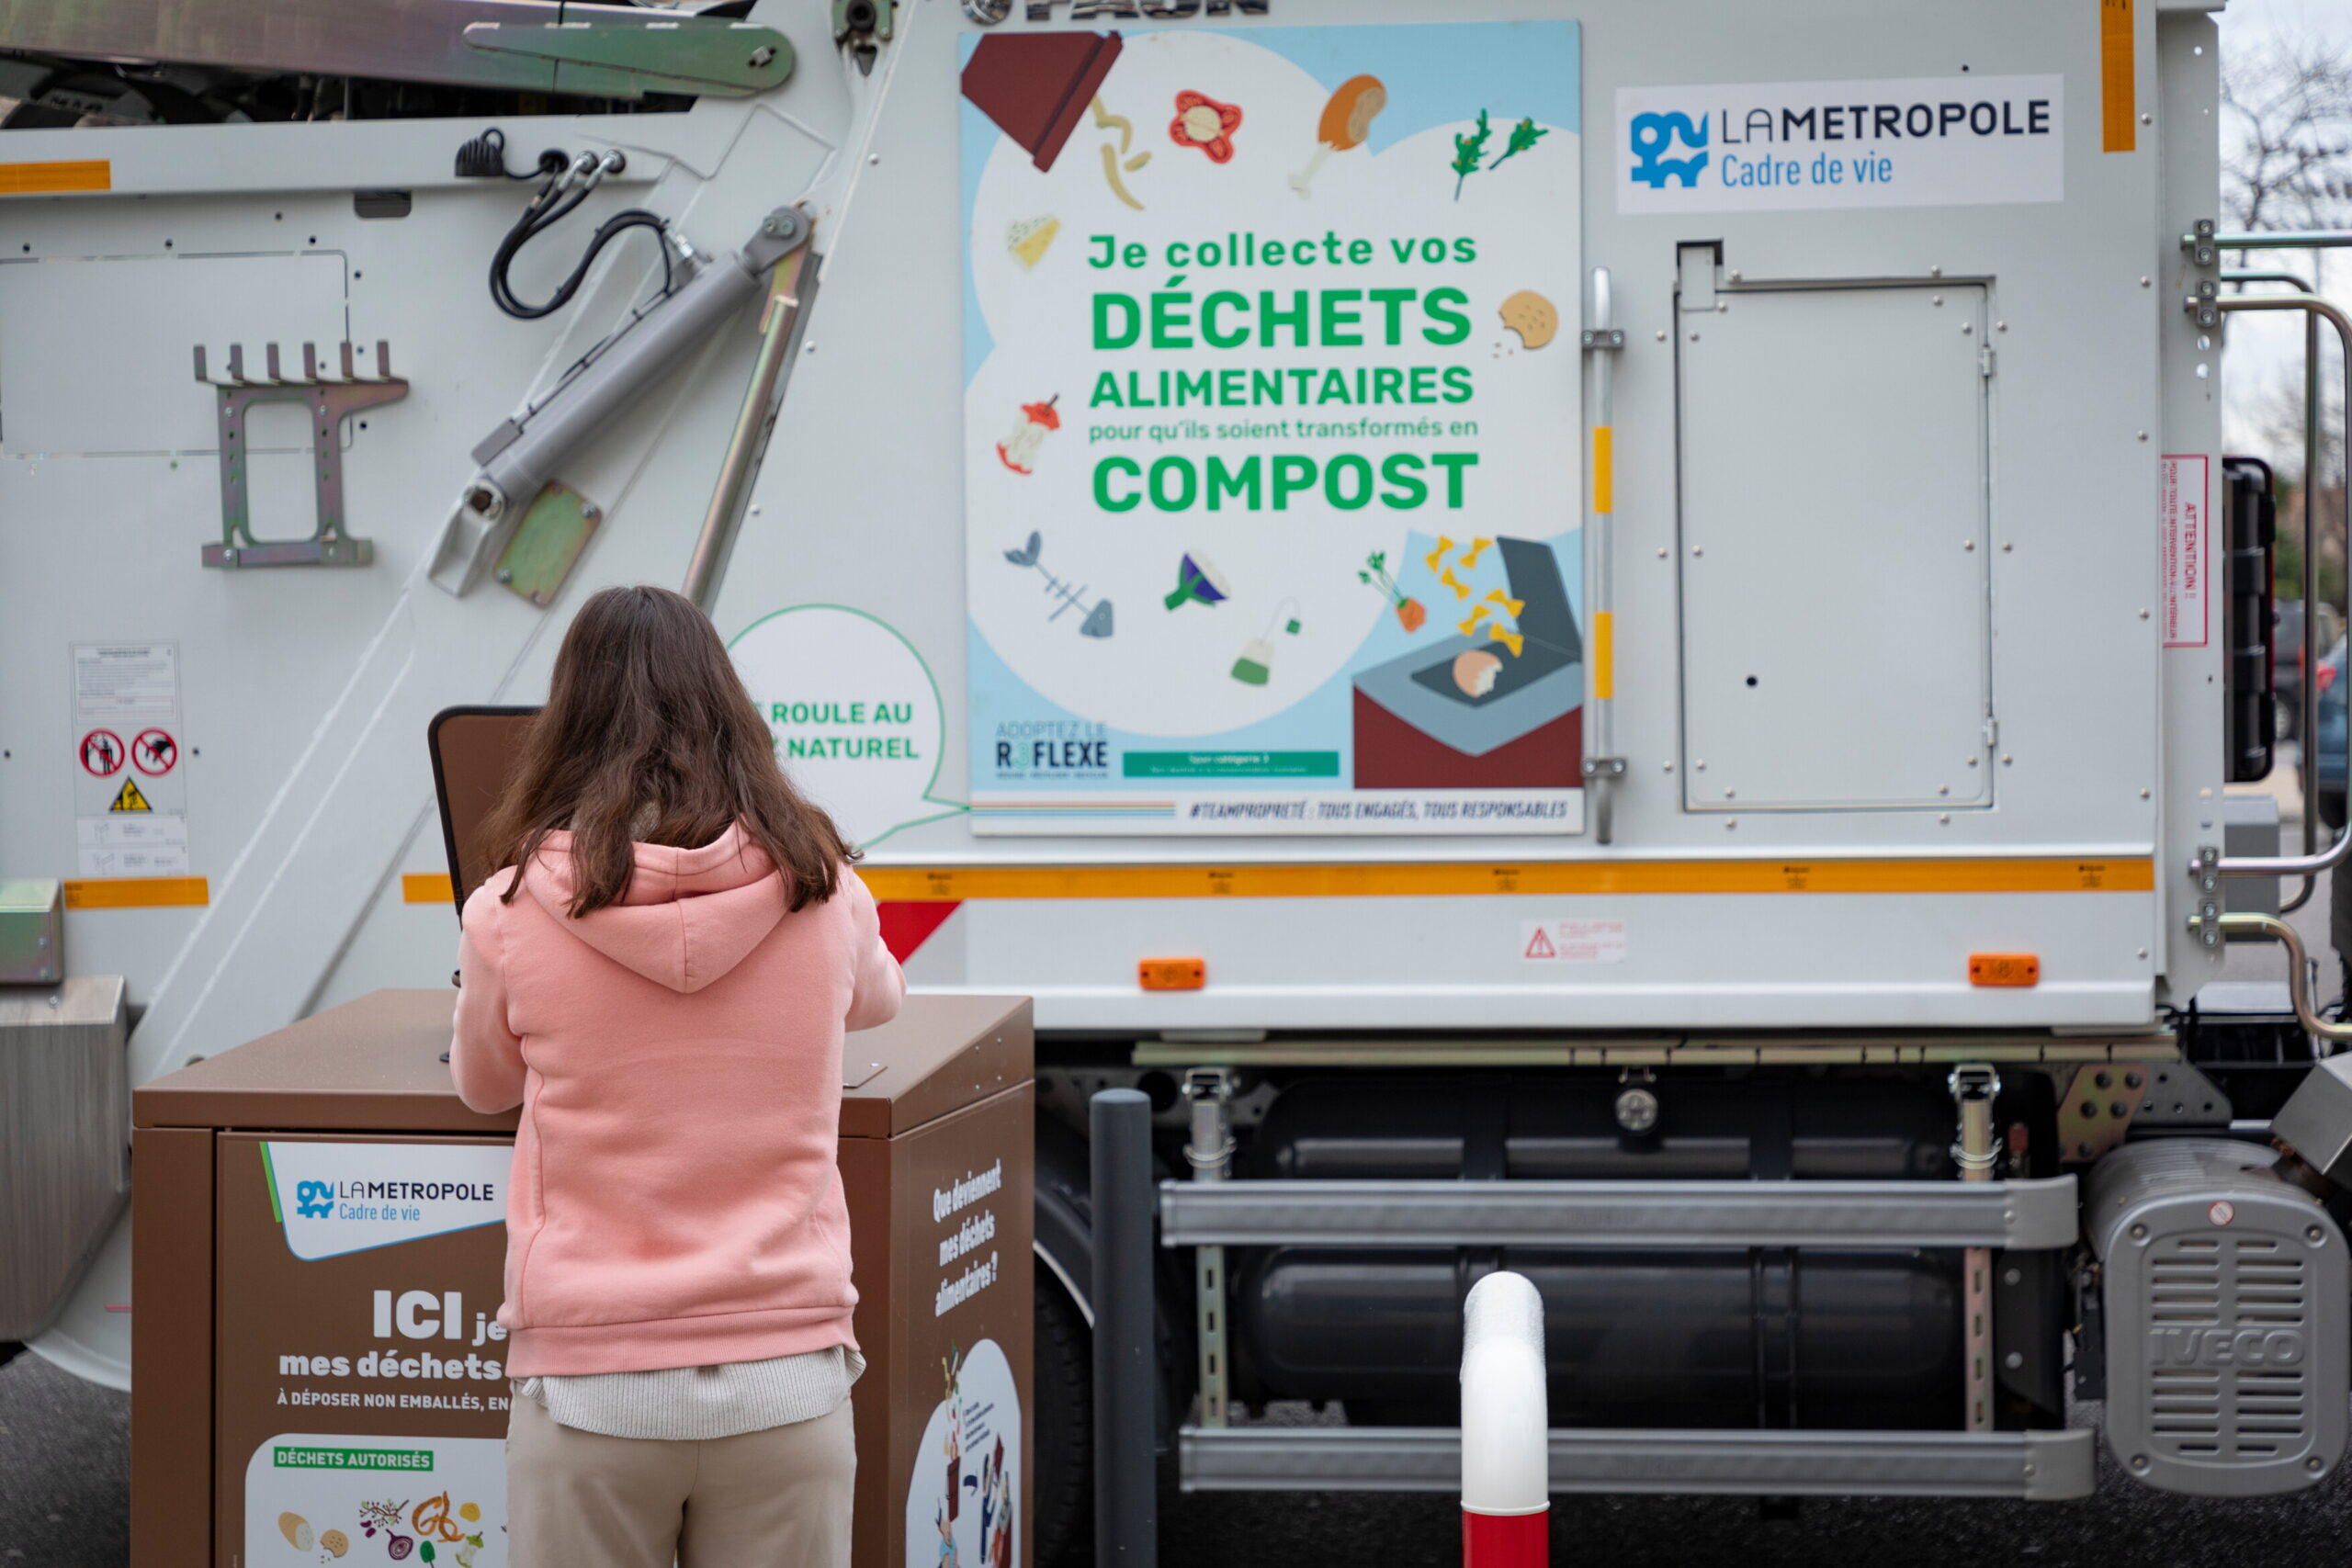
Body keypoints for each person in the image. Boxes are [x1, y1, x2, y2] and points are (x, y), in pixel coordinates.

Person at [450, 583, 904, 1568]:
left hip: (590, 1386)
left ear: (567, 724)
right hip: (789, 1377)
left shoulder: (509, 910)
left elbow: (483, 1085)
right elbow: (878, 998)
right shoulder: (824, 889)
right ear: (729, 711)